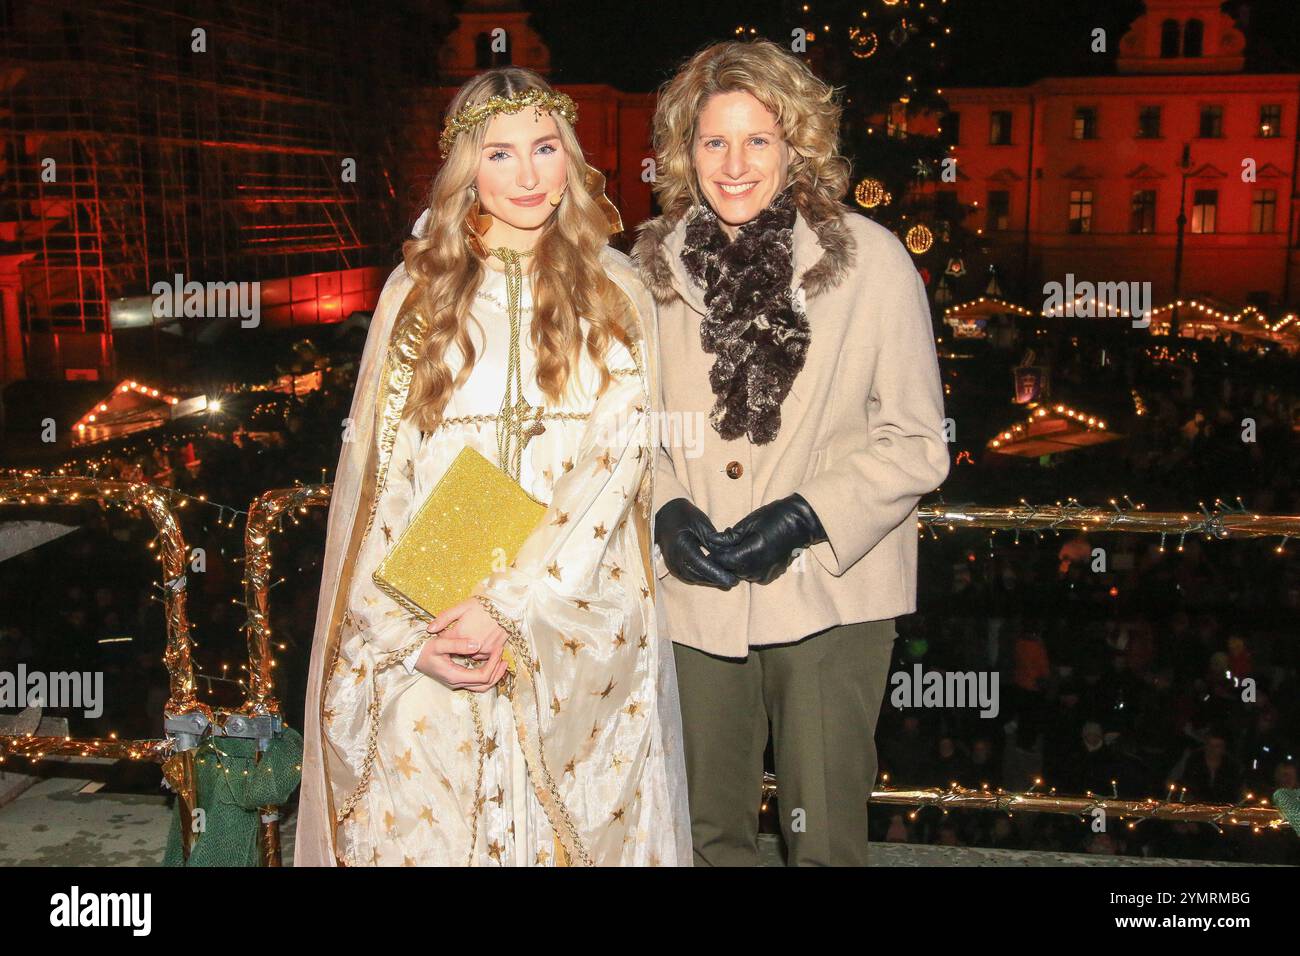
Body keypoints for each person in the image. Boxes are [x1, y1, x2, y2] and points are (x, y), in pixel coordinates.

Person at [295, 67, 692, 867]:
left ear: (570, 158)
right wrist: (410, 638)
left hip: (576, 623)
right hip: (436, 618)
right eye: (499, 152)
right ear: (464, 167)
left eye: (545, 148)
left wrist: (511, 609)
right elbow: (381, 482)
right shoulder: (418, 292)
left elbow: (612, 475)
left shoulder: (617, 290)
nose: (527, 174)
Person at [634, 39, 950, 865]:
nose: (735, 164)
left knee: (824, 841)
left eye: (759, 140)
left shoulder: (872, 261)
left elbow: (917, 443)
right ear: (683, 151)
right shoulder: (647, 271)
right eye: (714, 142)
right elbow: (627, 427)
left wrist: (806, 515)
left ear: (797, 144)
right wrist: (664, 505)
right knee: (708, 835)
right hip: (695, 594)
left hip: (831, 595)